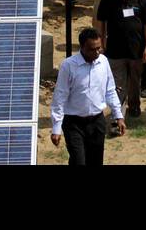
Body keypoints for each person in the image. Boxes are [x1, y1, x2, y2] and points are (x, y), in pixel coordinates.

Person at [50, 27, 124, 166]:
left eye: (99, 48)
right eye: (92, 49)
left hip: (97, 122)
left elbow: (110, 90)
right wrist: (56, 128)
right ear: (82, 47)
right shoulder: (68, 66)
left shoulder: (103, 62)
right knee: (79, 161)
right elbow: (60, 97)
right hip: (74, 123)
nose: (97, 52)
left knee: (95, 161)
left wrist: (118, 116)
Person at [95, 0, 146, 127]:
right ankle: (117, 114)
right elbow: (101, 22)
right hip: (114, 50)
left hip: (136, 50)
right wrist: (101, 43)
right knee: (118, 84)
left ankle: (134, 106)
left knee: (135, 81)